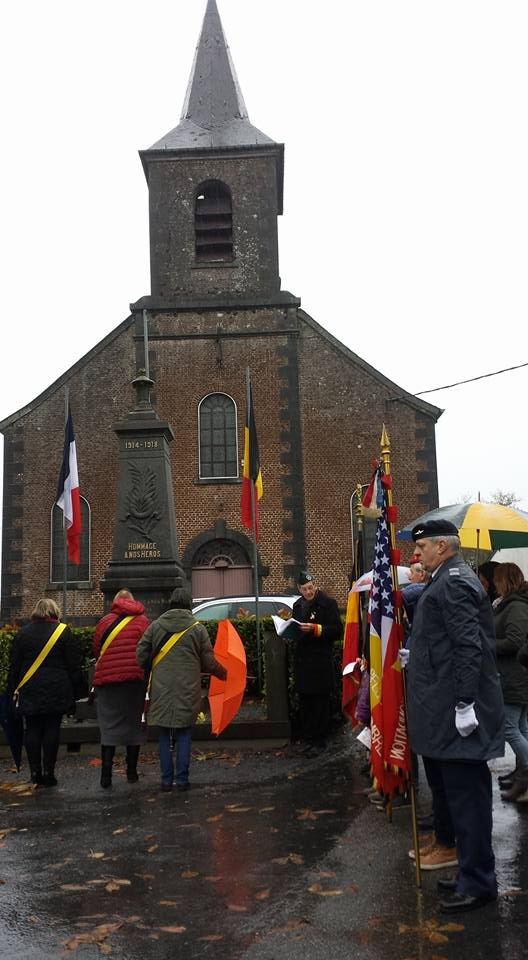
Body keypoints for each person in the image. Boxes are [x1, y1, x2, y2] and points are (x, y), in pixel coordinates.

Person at [407, 520, 504, 912]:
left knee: (469, 801)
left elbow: (469, 646)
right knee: (458, 797)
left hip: (455, 707)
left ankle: (479, 881)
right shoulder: (445, 578)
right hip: (443, 702)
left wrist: (466, 702)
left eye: (423, 547)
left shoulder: (455, 581)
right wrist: (418, 656)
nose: (418, 554)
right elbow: (444, 640)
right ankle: (469, 870)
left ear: (442, 546)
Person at [136, 581, 227, 792]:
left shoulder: (155, 626)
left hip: (161, 688)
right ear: (188, 604)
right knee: (184, 733)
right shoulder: (198, 629)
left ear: (171, 604)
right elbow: (208, 662)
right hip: (188, 689)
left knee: (163, 733)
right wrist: (223, 673)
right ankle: (182, 780)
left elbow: (140, 656)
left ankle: (166, 781)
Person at [7, 598, 86, 787]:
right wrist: (78, 692)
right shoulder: (63, 632)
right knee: (52, 729)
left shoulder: (22, 634)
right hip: (57, 689)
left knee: (32, 729)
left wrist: (12, 691)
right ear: (54, 612)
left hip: (30, 688)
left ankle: (35, 773)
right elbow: (74, 665)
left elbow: (15, 667)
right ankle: (49, 772)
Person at [92, 589, 150, 789]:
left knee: (108, 728)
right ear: (133, 601)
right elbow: (147, 649)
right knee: (133, 726)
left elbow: (97, 649)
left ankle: (105, 776)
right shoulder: (143, 622)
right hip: (135, 680)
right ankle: (131, 772)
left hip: (108, 682)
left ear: (115, 602)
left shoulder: (104, 622)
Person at [292, 570, 343, 755]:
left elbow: (337, 630)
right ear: (299, 589)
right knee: (306, 704)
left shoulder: (328, 604)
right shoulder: (298, 605)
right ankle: (309, 738)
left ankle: (320, 741)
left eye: (311, 588)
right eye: (305, 589)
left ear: (315, 585)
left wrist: (316, 629)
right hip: (303, 663)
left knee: (320, 704)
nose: (308, 592)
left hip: (320, 662)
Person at [492, 563, 528, 802]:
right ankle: (522, 778)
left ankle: (526, 773)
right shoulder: (511, 604)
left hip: (514, 676)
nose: (494, 585)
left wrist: (488, 644)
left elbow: (515, 641)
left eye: (497, 580)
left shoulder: (516, 606)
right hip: (515, 675)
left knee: (509, 728)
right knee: (521, 727)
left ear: (505, 581)